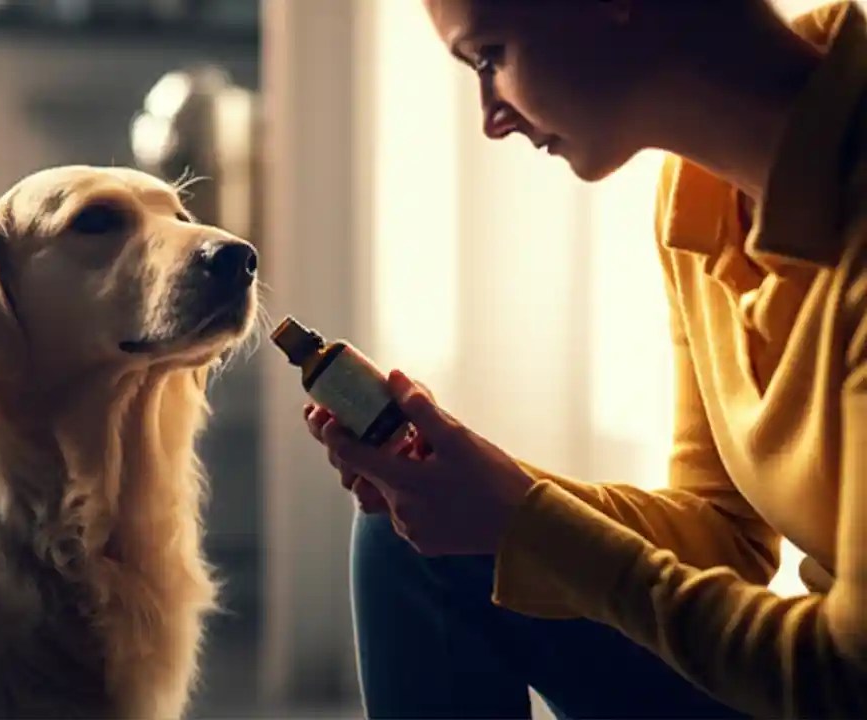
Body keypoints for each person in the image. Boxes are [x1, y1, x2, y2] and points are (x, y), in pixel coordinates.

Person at [302, 0, 867, 717]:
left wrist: (522, 525)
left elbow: (847, 681)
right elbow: (722, 533)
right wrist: (480, 492)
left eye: (491, 56)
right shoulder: (702, 196)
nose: (491, 116)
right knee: (411, 533)